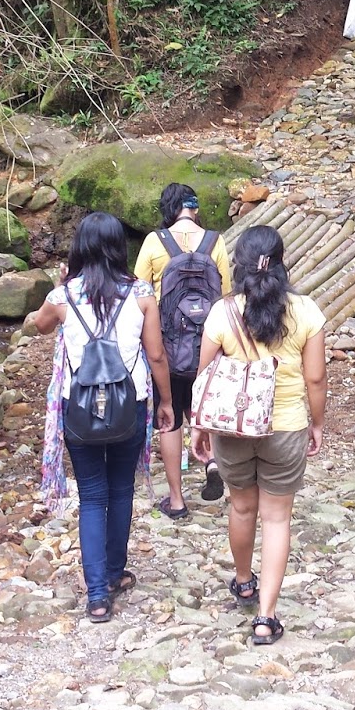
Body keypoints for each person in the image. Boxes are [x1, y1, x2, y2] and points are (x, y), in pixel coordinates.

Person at [33, 211, 174, 622]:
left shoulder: (63, 297)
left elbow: (39, 326)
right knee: (120, 491)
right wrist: (166, 402)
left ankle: (97, 596)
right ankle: (113, 574)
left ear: (79, 248)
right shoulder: (142, 293)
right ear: (118, 247)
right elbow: (157, 355)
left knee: (92, 497)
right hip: (129, 406)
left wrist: (59, 287)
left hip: (78, 409)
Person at [191, 223, 326, 645]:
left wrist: (199, 426)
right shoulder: (306, 312)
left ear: (239, 264)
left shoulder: (223, 311)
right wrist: (317, 422)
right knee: (277, 518)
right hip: (286, 427)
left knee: (242, 507)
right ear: (282, 262)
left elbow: (205, 376)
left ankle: (244, 581)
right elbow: (316, 378)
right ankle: (266, 617)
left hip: (234, 427)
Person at [134, 183, 232, 518]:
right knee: (204, 410)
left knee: (170, 416)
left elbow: (138, 295)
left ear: (168, 208)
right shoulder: (215, 241)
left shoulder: (153, 242)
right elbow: (226, 299)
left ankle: (176, 500)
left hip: (168, 347)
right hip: (208, 345)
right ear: (195, 208)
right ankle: (214, 462)